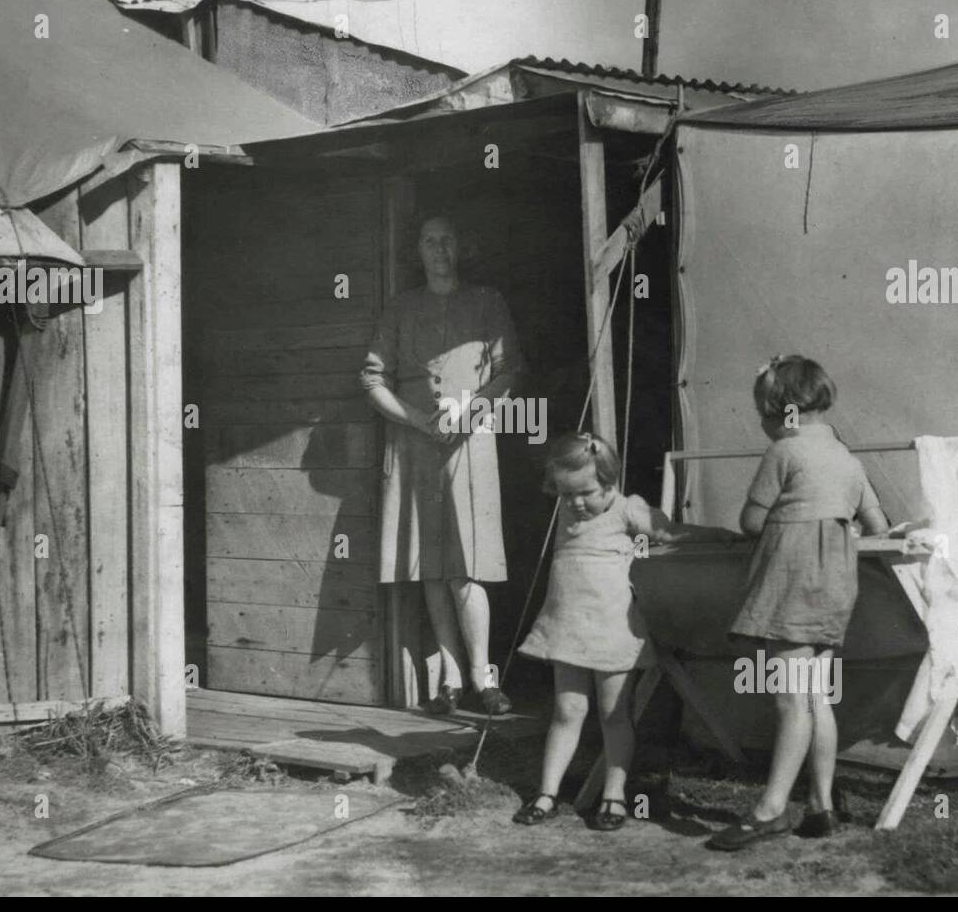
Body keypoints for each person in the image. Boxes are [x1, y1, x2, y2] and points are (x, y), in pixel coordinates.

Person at [708, 356, 889, 850]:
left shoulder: (784, 453)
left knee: (790, 702)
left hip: (791, 585)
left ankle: (770, 810)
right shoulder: (848, 460)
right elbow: (878, 527)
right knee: (816, 699)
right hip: (833, 588)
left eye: (763, 416)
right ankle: (821, 805)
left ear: (781, 413)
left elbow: (750, 521)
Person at [360, 215, 520, 716]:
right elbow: (372, 379)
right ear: (418, 250)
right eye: (429, 241)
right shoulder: (401, 308)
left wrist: (470, 413)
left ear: (461, 248)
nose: (439, 250)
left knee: (466, 567)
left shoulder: (487, 302)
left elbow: (509, 368)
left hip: (471, 441)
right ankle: (449, 680)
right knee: (430, 565)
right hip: (414, 446)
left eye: (448, 240)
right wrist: (416, 421)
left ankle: (482, 677)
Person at [513, 433, 711, 830]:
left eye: (584, 493)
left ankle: (615, 797)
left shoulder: (627, 509)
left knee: (614, 713)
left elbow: (670, 533)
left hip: (612, 629)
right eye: (565, 495)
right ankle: (547, 793)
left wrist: (726, 536)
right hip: (566, 629)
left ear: (611, 482)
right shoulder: (569, 511)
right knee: (567, 711)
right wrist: (572, 498)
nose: (575, 503)